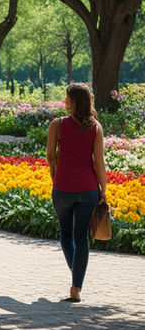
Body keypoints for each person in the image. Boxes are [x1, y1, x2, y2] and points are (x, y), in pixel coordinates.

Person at [46, 82, 107, 302]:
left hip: (62, 188)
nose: (64, 101)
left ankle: (75, 270)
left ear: (74, 102)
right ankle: (76, 288)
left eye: (67, 98)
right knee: (81, 237)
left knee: (66, 235)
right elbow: (98, 161)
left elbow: (50, 156)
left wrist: (55, 176)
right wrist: (103, 190)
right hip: (88, 189)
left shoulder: (57, 125)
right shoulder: (96, 128)